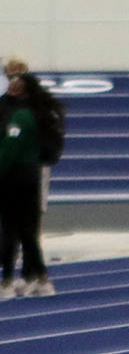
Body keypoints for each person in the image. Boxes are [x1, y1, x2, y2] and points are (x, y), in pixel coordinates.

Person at [0, 72, 58, 297]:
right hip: (30, 176)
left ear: (24, 90)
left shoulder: (21, 117)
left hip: (15, 178)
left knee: (11, 230)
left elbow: (10, 150)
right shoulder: (37, 112)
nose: (10, 90)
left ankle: (6, 282)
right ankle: (40, 278)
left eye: (15, 87)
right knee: (28, 231)